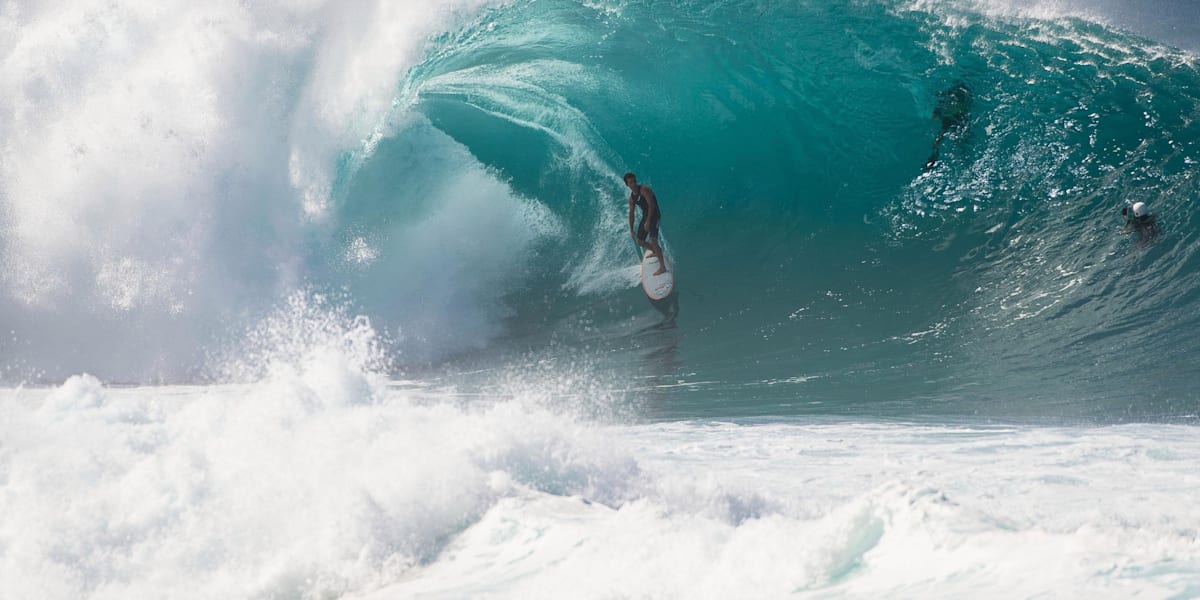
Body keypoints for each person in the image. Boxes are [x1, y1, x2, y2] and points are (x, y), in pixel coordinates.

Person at [624, 172, 667, 275]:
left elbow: (651, 205)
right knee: (640, 241)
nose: (633, 184)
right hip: (646, 215)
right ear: (627, 184)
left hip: (654, 214)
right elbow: (631, 214)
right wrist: (631, 229)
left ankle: (662, 267)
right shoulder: (631, 198)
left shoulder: (644, 190)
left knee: (652, 239)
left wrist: (648, 221)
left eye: (634, 181)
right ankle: (656, 252)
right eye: (630, 182)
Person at [924, 81, 973, 170]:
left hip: (952, 117)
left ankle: (933, 158)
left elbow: (936, 114)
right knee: (960, 139)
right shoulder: (960, 102)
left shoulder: (945, 101)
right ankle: (963, 158)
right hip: (956, 117)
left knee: (941, 138)